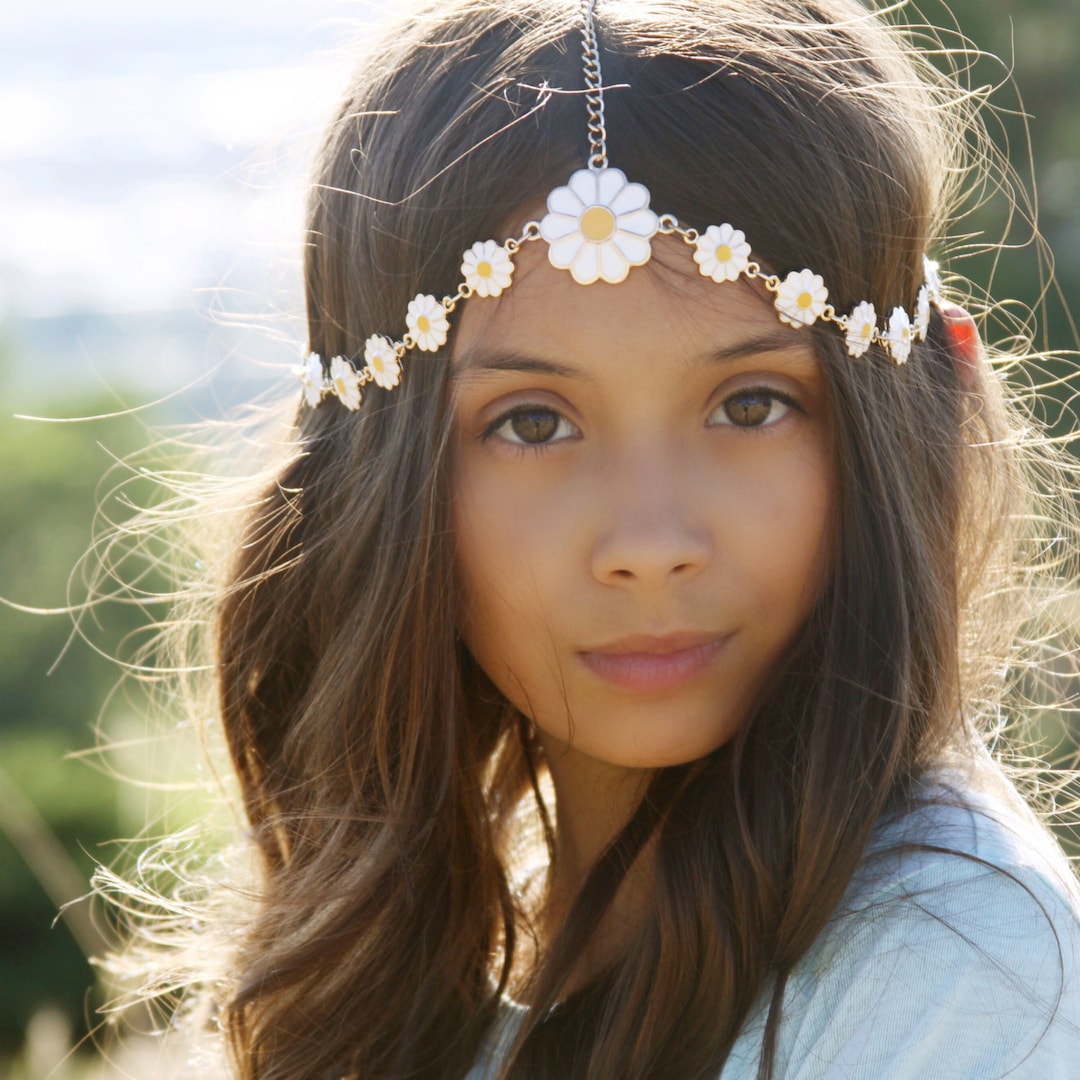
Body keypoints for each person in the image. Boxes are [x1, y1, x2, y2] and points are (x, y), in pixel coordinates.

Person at [108, 0, 1080, 1076]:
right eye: (534, 424)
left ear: (907, 415)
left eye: (752, 405)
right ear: (379, 486)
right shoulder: (431, 974)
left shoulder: (956, 967)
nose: (650, 541)